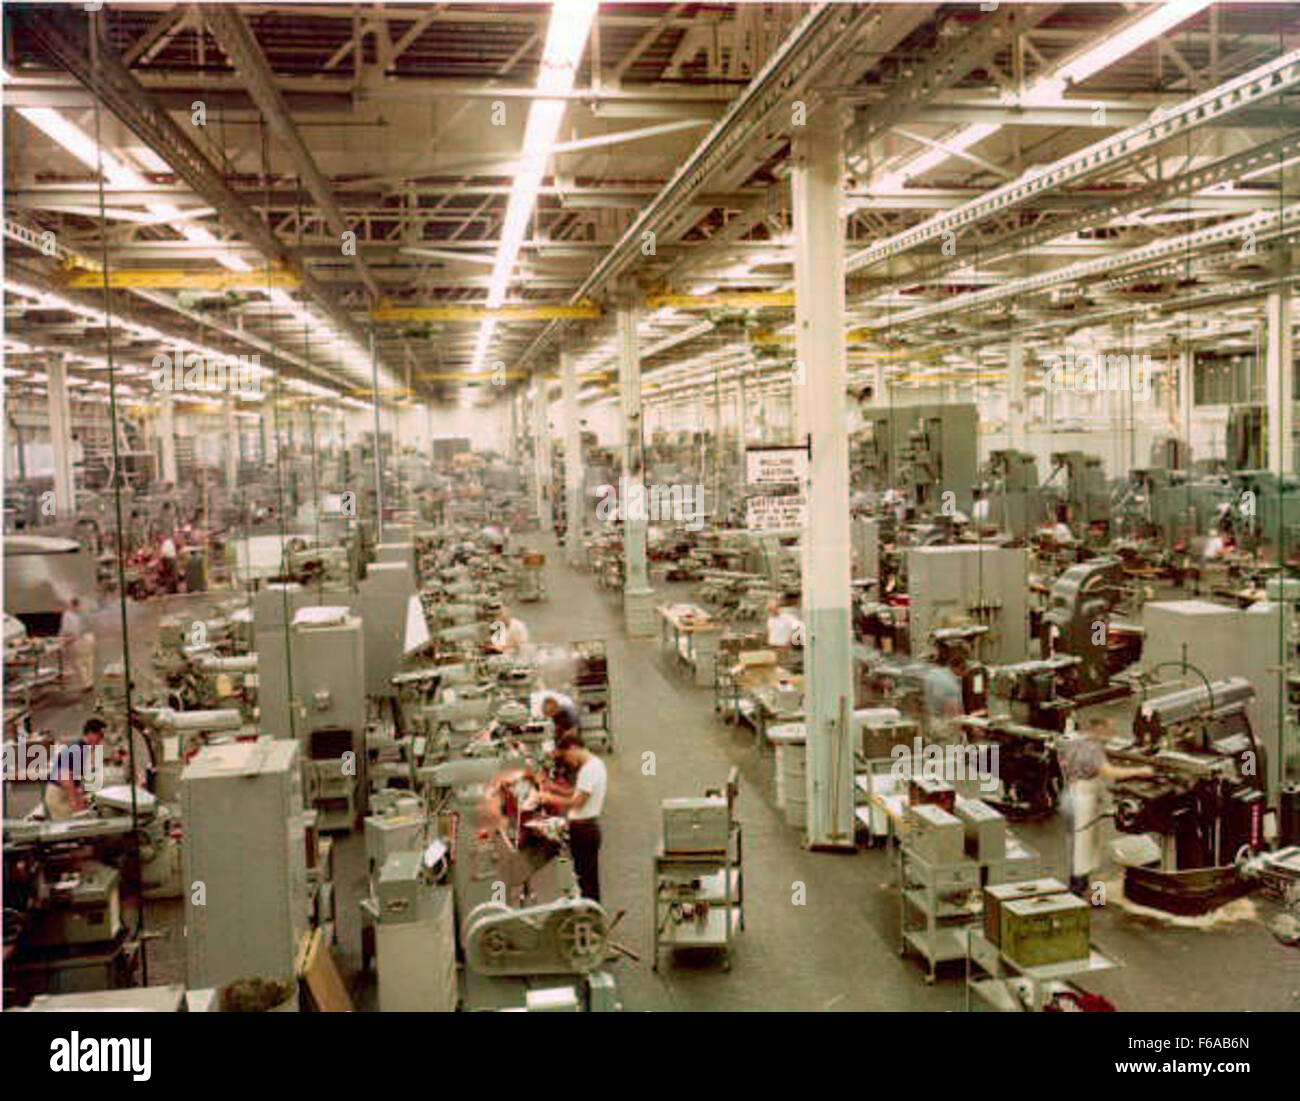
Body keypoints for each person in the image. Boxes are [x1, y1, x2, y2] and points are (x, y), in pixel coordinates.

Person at [1058, 715, 1155, 897]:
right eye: (1109, 730)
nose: (1113, 734)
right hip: (1083, 799)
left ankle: (1077, 888)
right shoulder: (1092, 747)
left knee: (1076, 847)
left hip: (1071, 794)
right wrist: (1142, 771)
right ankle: (1088, 897)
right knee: (1085, 851)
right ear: (1098, 728)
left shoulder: (1076, 740)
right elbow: (1111, 773)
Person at [538, 732, 607, 904]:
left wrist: (548, 798)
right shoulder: (594, 765)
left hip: (584, 830)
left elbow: (577, 802)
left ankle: (590, 916)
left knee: (586, 880)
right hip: (585, 828)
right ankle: (589, 913)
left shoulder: (589, 769)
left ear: (574, 748)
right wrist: (552, 788)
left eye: (566, 755)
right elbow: (575, 792)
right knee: (585, 878)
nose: (568, 761)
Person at [44, 717, 106, 820]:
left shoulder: (82, 749)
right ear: (91, 733)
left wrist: (79, 794)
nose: (101, 740)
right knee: (69, 826)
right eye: (100, 736)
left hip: (63, 792)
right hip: (59, 795)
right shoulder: (78, 750)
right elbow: (65, 778)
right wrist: (75, 800)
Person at [59, 597, 96, 693]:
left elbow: (67, 630)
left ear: (71, 604)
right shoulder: (85, 612)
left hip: (77, 640)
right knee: (89, 661)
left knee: (79, 663)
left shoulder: (67, 615)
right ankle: (90, 682)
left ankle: (85, 685)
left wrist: (63, 641)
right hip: (89, 638)